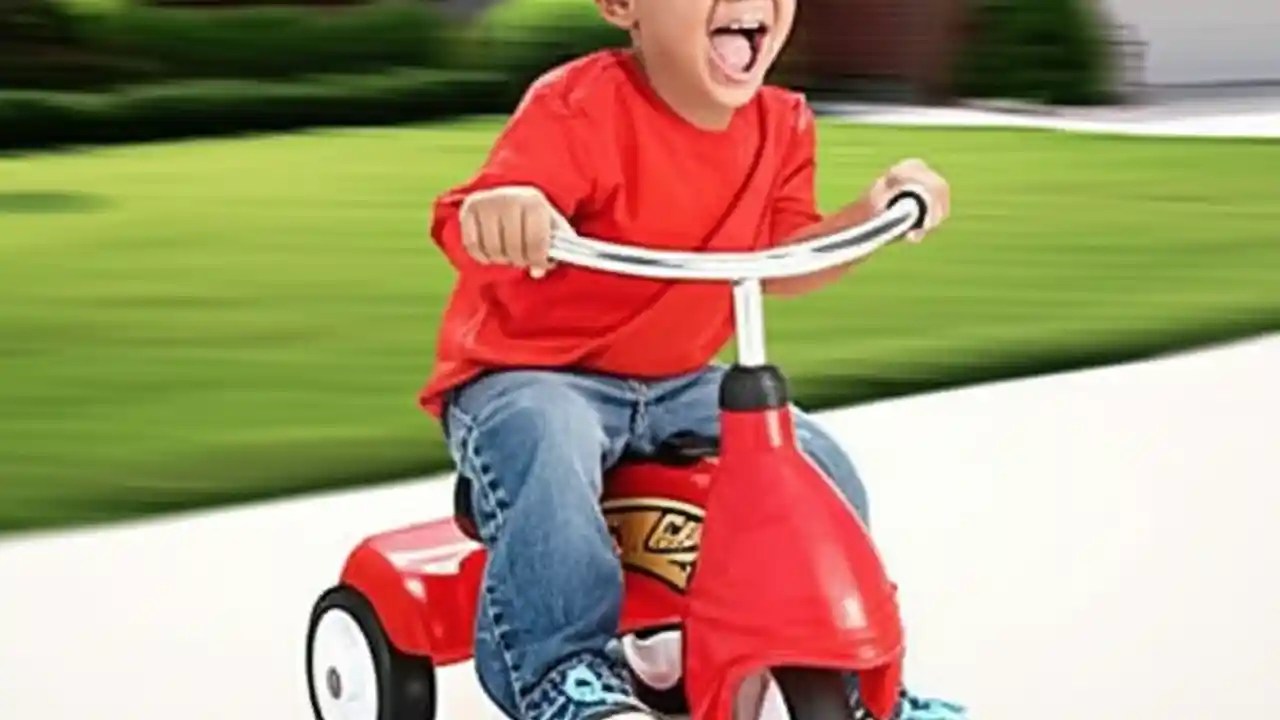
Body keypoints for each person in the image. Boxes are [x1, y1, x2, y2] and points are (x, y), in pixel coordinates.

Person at [418, 0, 963, 717]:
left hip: (675, 382)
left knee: (817, 466)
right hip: (536, 372)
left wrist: (874, 209)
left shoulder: (780, 124)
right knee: (547, 435)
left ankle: (855, 679)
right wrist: (510, 209)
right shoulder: (580, 107)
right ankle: (561, 675)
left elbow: (785, 258)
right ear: (623, 6)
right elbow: (477, 212)